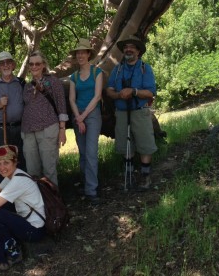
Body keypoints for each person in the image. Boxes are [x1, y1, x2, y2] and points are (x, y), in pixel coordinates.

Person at [0, 145, 45, 272]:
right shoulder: (13, 175)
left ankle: (12, 254)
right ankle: (2, 250)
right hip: (26, 222)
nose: (2, 167)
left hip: (34, 231)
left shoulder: (17, 181)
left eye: (6, 163)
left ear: (15, 162)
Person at [105, 34, 157, 190]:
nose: (128, 49)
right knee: (125, 145)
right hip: (121, 112)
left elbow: (150, 93)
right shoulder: (117, 69)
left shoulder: (145, 68)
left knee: (145, 144)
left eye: (132, 47)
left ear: (138, 51)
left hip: (140, 112)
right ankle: (130, 176)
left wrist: (133, 91)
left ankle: (145, 177)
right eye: (126, 47)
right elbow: (109, 90)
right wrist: (118, 95)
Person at [67, 39, 105, 205]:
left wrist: (83, 117)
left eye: (83, 52)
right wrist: (78, 117)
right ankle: (86, 183)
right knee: (83, 153)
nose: (80, 55)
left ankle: (92, 190)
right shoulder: (74, 76)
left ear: (89, 54)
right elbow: (71, 99)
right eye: (78, 53)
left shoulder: (97, 72)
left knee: (91, 152)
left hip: (92, 114)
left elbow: (97, 96)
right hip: (78, 115)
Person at [21, 51, 68, 186]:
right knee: (32, 172)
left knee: (49, 170)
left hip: (48, 129)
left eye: (37, 64)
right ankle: (37, 199)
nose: (34, 66)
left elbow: (61, 106)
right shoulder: (27, 86)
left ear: (43, 65)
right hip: (28, 131)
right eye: (31, 64)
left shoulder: (53, 82)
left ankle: (52, 198)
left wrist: (62, 129)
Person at [0, 51, 27, 189]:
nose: (6, 65)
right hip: (0, 130)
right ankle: (4, 195)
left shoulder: (21, 83)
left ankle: (21, 193)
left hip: (20, 129)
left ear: (13, 65)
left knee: (20, 161)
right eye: (2, 63)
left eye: (8, 62)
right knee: (3, 162)